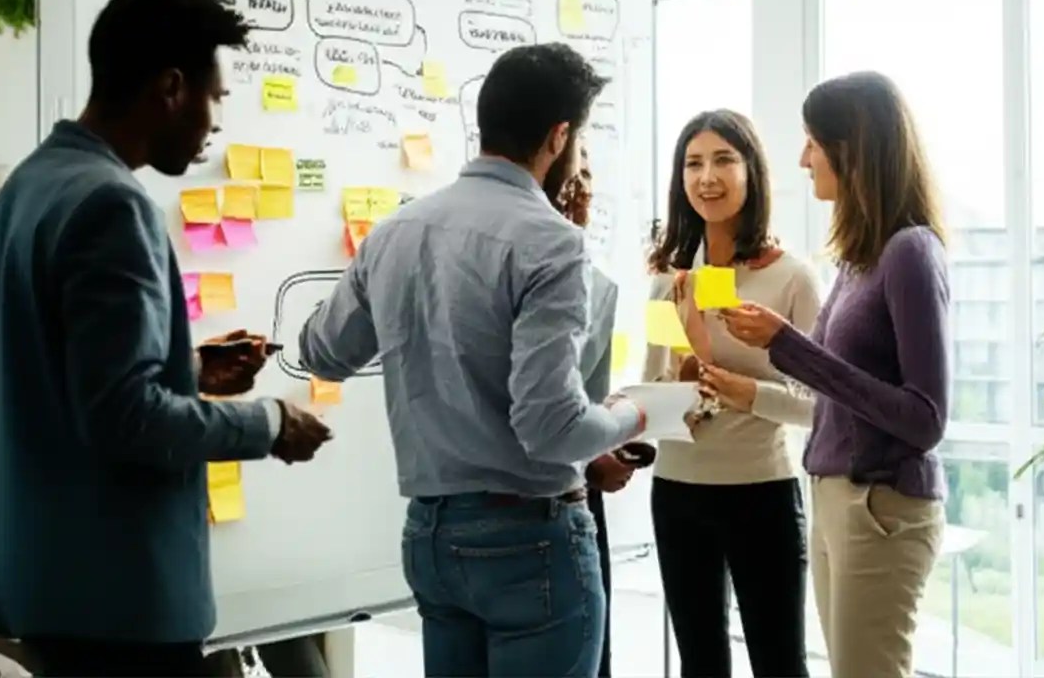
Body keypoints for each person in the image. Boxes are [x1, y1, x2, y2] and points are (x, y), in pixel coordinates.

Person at [0, 0, 332, 678]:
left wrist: (189, 371)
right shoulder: (111, 206)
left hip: (32, 585)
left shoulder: (24, 194)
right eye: (216, 97)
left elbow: (48, 380)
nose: (217, 122)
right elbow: (125, 420)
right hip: (113, 606)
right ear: (171, 88)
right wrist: (268, 423)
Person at [297, 43, 647, 678]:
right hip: (530, 542)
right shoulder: (553, 243)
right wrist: (631, 414)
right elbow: (551, 428)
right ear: (559, 137)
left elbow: (322, 353)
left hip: (431, 539)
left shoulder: (395, 231)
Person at [721, 71, 950, 678]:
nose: (803, 159)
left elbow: (925, 419)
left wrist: (787, 345)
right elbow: (827, 382)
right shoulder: (858, 259)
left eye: (813, 143)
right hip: (835, 499)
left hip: (880, 505)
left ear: (851, 149)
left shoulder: (910, 251)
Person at [643, 109, 822, 678]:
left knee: (779, 664)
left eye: (723, 160)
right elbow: (653, 392)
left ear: (752, 172)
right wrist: (681, 389)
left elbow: (823, 405)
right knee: (699, 665)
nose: (707, 177)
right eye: (693, 164)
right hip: (678, 492)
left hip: (761, 493)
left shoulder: (792, 278)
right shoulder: (669, 281)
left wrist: (749, 393)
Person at [552, 145, 648, 678]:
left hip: (579, 502)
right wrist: (597, 453)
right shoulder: (497, 267)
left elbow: (587, 400)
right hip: (534, 505)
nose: (582, 186)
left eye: (588, 172)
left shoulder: (599, 285)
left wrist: (604, 449)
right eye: (574, 170)